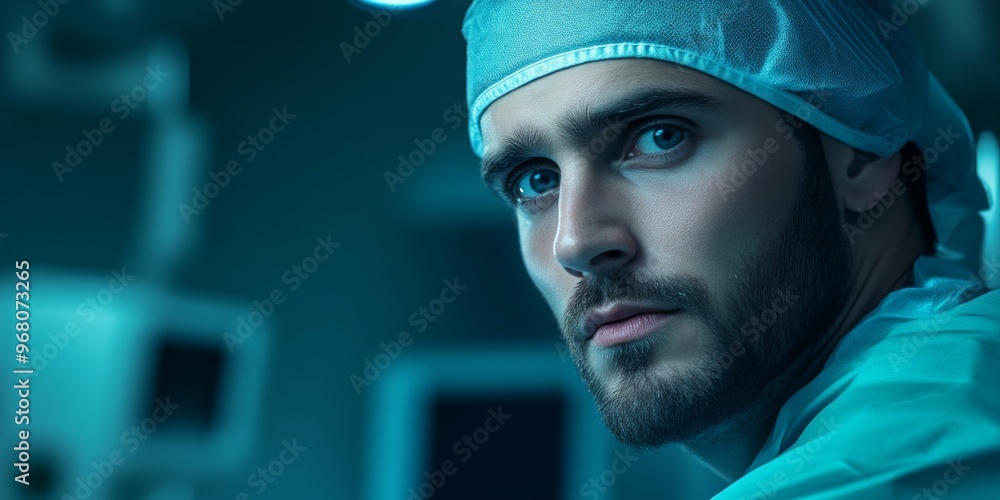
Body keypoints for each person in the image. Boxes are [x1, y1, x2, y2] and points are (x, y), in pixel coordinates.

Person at [461, 1, 1000, 498]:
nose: (575, 242)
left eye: (661, 137)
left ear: (861, 151)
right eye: (534, 182)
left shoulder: (917, 456)